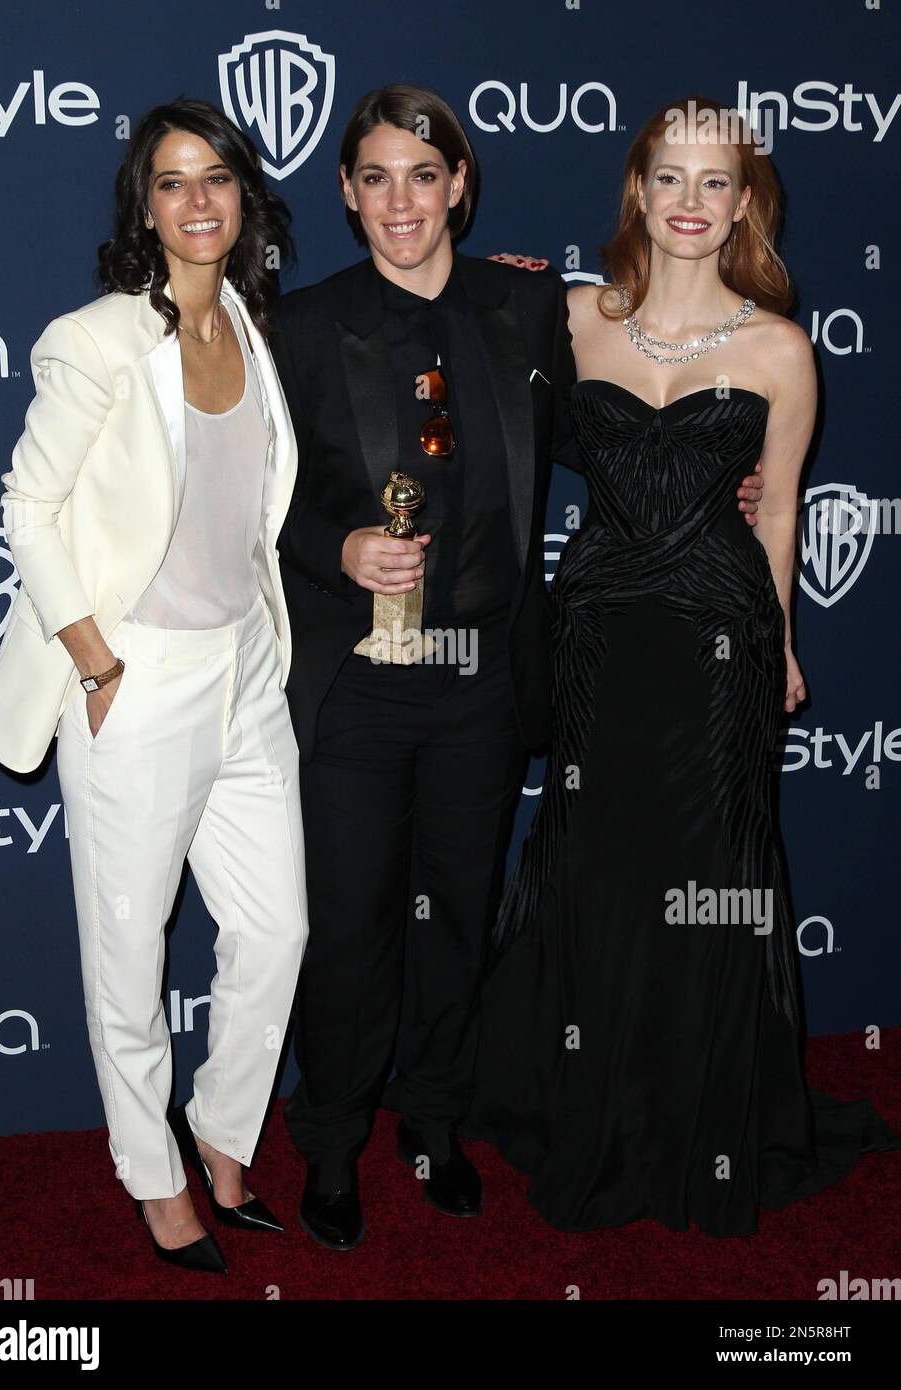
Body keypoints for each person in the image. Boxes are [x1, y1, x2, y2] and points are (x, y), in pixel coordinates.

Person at [269, 84, 767, 1251]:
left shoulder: (528, 306)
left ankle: (433, 1121)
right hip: (353, 680)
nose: (402, 200)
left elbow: (623, 425)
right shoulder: (294, 326)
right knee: (348, 926)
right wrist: (337, 545)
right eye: (377, 176)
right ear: (346, 192)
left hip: (485, 676)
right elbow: (244, 505)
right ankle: (333, 1138)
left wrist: (723, 481)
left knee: (458, 914)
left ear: (460, 186)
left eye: (424, 175)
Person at [460, 95, 901, 1235]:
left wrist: (785, 646)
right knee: (594, 874)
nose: (690, 203)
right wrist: (495, 292)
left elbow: (780, 510)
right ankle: (587, 1103)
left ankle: (697, 1122)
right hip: (598, 635)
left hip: (718, 645)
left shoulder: (777, 347)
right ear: (636, 192)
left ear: (744, 202)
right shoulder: (567, 319)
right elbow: (452, 366)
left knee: (710, 884)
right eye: (670, 178)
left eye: (716, 182)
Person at [0, 98, 309, 1273]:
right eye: (172, 182)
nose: (198, 200)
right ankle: (152, 1173)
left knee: (277, 930)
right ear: (144, 207)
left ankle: (223, 1134)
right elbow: (26, 502)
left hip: (244, 673)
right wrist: (92, 656)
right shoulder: (98, 337)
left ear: (244, 197)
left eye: (216, 176)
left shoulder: (253, 330)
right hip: (135, 674)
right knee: (129, 950)